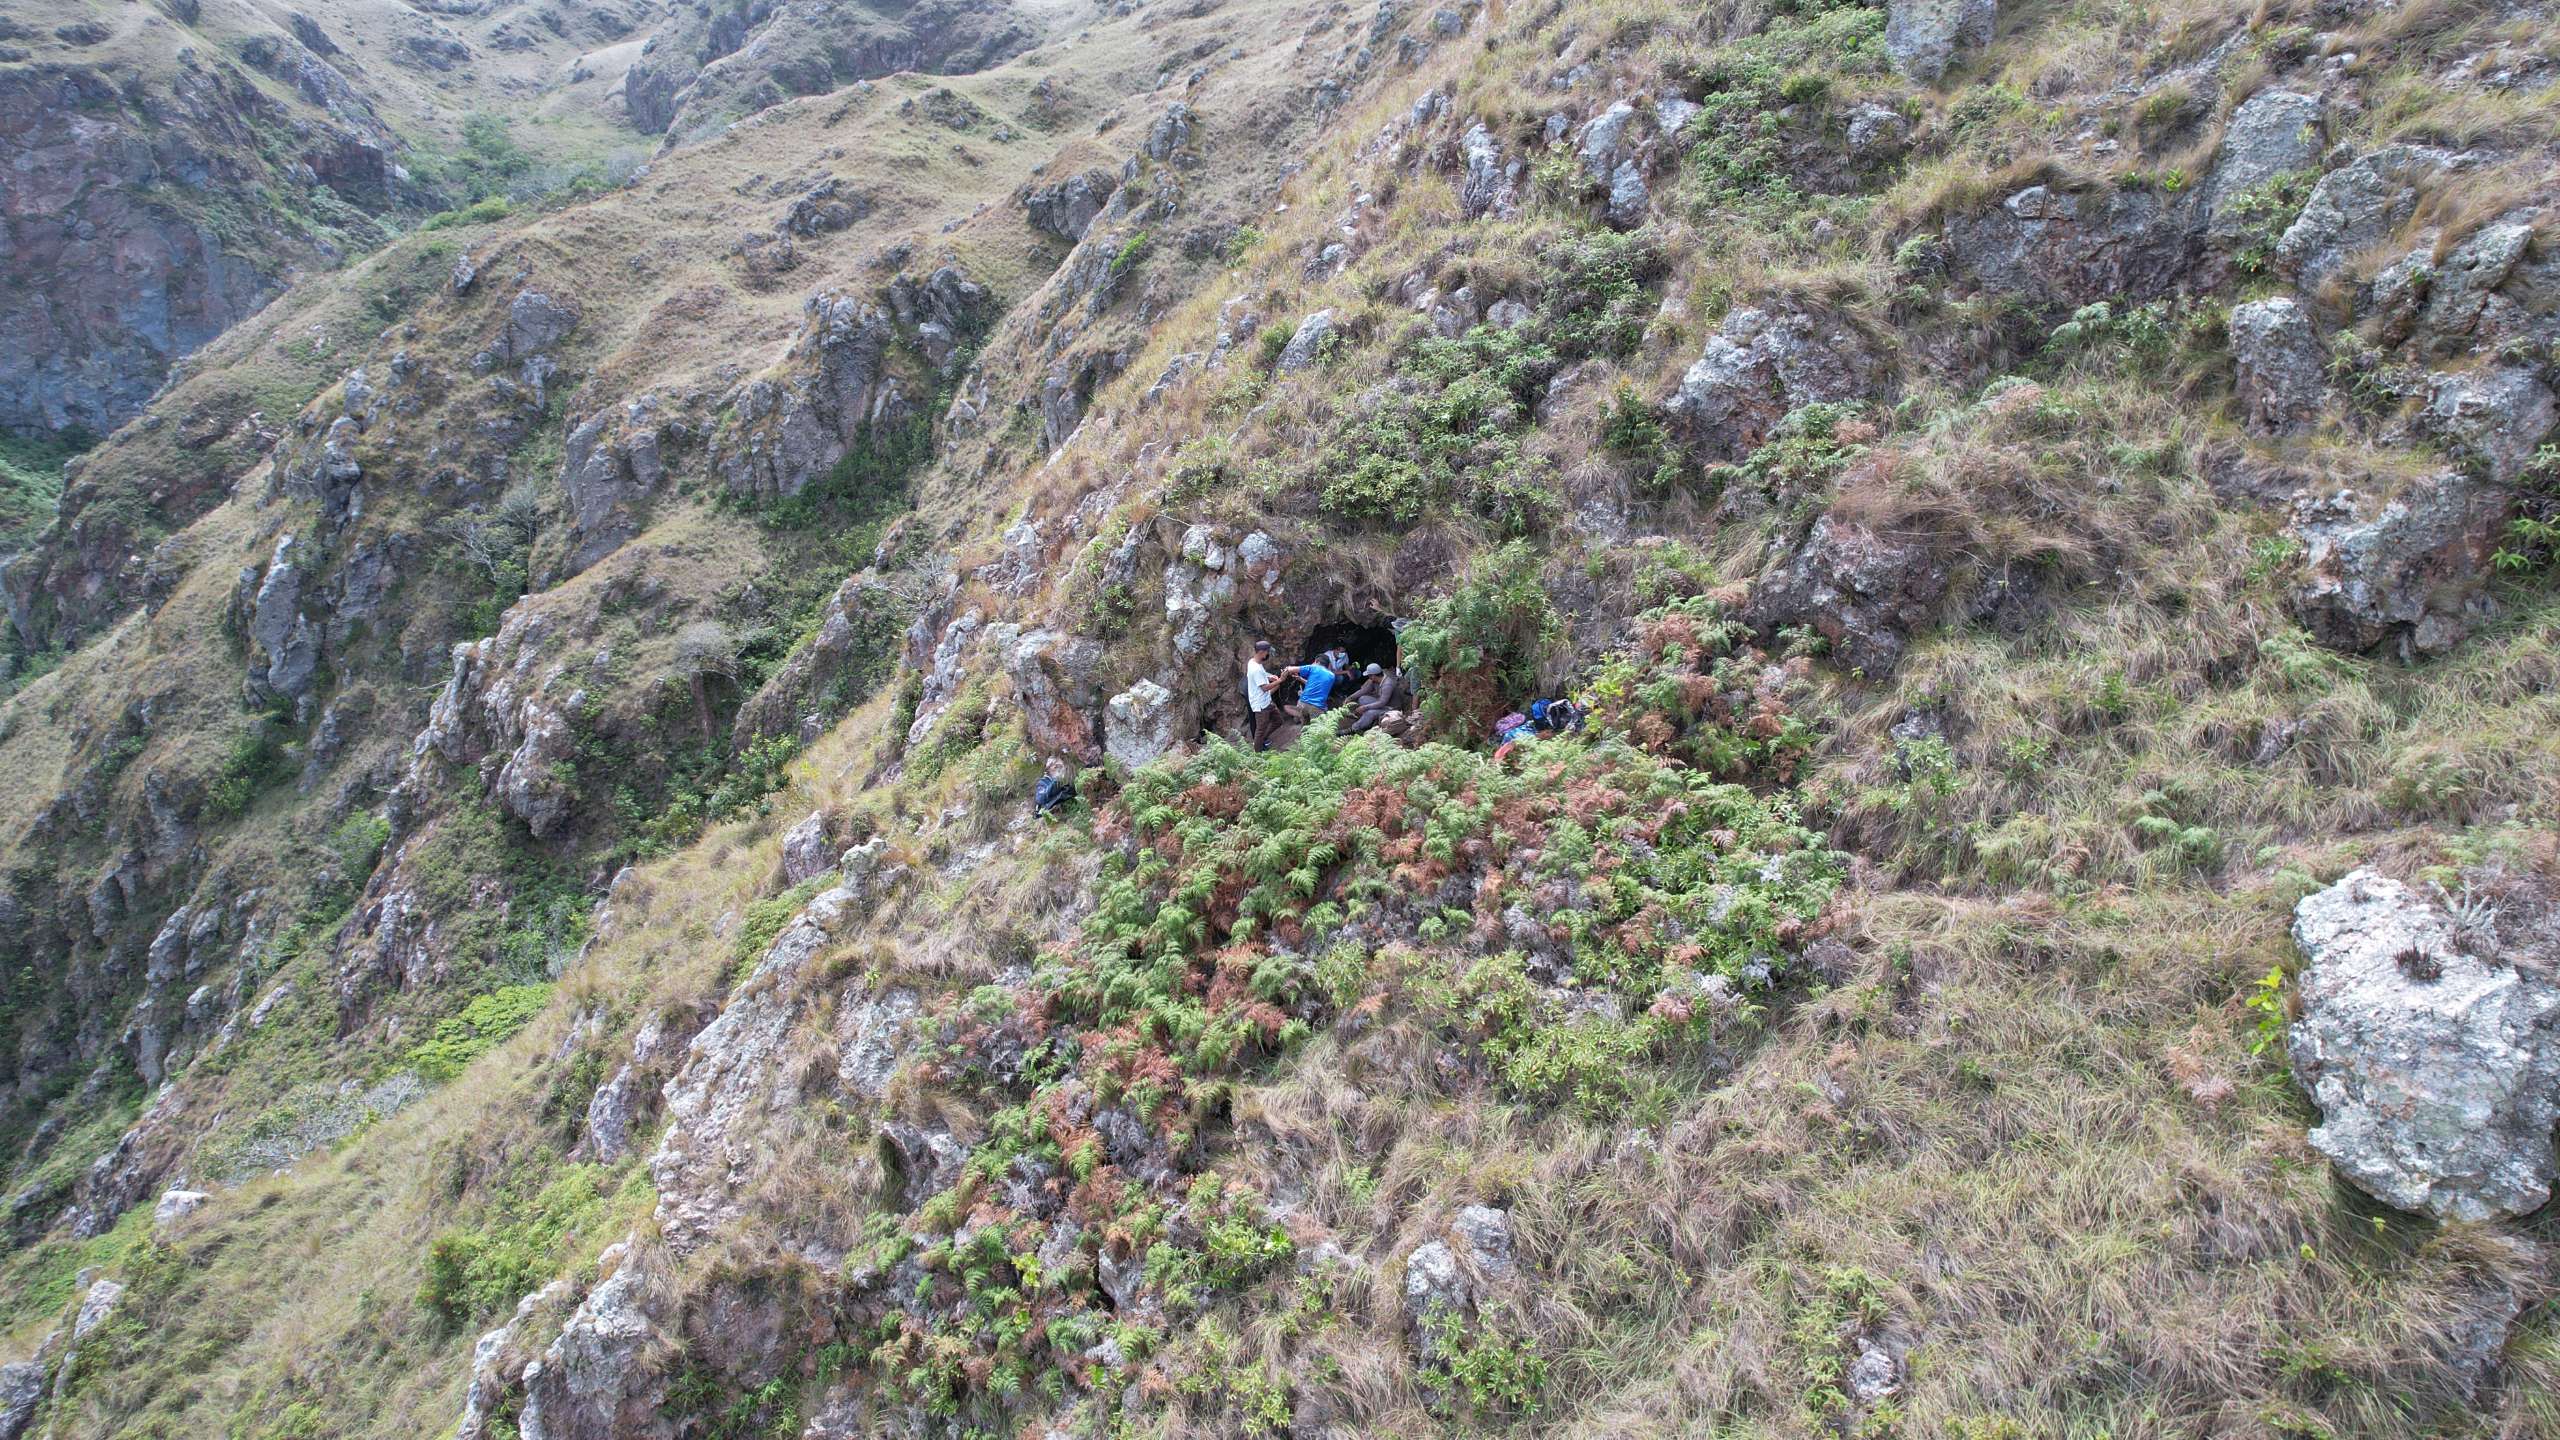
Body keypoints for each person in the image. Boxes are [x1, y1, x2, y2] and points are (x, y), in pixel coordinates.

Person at [1243, 640, 1281, 751]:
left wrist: (1269, 677)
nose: (1268, 654)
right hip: (1261, 705)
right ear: (1261, 652)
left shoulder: (1253, 662)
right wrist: (1280, 680)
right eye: (1267, 652)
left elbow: (1259, 676)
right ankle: (1257, 752)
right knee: (1260, 730)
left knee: (1278, 721)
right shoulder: (1256, 669)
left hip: (1267, 701)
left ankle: (1262, 739)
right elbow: (1264, 688)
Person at [1280, 654, 1340, 723]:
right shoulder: (1332, 676)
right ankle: (1305, 717)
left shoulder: (1313, 668)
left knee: (1286, 707)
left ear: (1317, 662)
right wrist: (1300, 679)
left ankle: (1302, 716)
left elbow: (1290, 669)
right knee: (1314, 726)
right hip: (1318, 707)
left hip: (1304, 704)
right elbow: (1315, 684)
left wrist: (1284, 673)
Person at [1345, 663, 1395, 735]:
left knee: (1370, 713)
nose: (1368, 678)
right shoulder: (1375, 681)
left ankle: (1354, 729)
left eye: (1369, 676)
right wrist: (1350, 697)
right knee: (1362, 699)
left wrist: (1365, 707)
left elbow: (1382, 702)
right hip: (1382, 703)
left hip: (1391, 707)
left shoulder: (1387, 684)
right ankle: (1365, 720)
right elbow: (1364, 690)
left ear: (1373, 676)